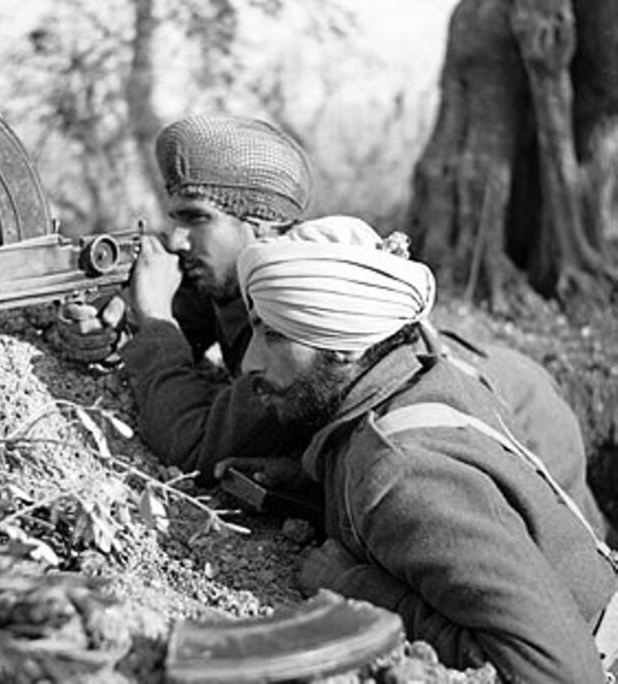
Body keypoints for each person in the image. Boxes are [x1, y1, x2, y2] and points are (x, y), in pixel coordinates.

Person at [58, 112, 609, 540]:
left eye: (196, 219)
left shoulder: (292, 322)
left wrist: (154, 324)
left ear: (262, 228)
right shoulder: (228, 282)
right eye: (175, 219)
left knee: (576, 562)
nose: (177, 241)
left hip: (518, 412)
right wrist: (117, 325)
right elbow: (188, 328)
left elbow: (195, 446)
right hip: (499, 382)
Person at [236, 215, 618, 683]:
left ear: (347, 347)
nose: (248, 363)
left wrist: (355, 588)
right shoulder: (419, 380)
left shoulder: (401, 474)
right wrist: (311, 481)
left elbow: (561, 675)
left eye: (274, 334)